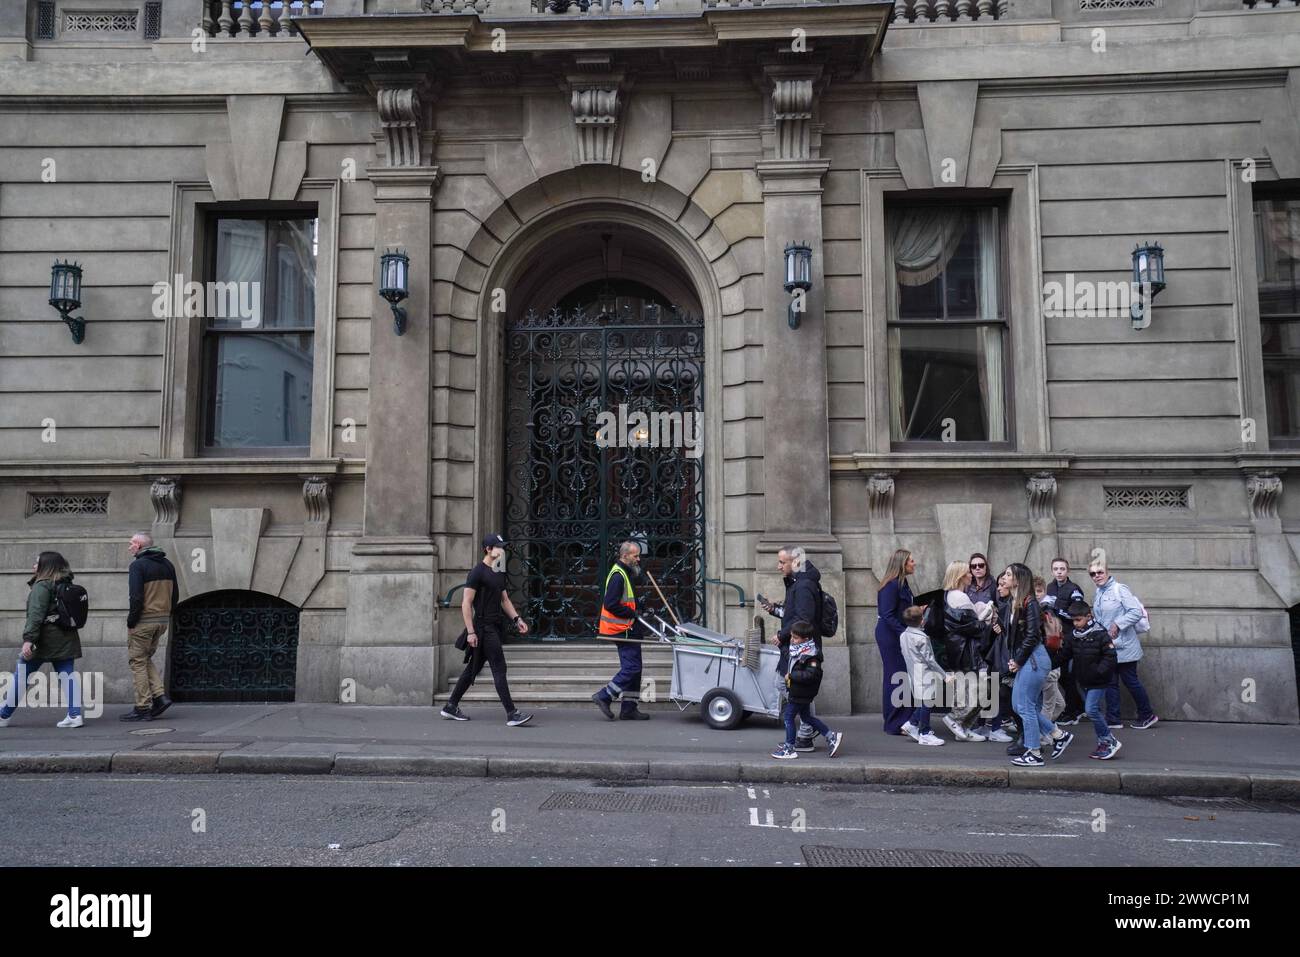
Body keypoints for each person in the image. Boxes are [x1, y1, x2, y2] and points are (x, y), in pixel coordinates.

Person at [441, 534, 533, 726]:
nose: (502, 550)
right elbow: (466, 603)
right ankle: (512, 713)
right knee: (499, 668)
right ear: (488, 549)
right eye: (499, 547)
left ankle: (450, 706)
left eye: (503, 547)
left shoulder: (498, 572)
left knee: (472, 669)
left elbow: (504, 600)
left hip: (494, 626)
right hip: (483, 628)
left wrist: (517, 619)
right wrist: (471, 632)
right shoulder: (477, 572)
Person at [0, 551, 83, 729]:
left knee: (21, 676)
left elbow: (35, 615)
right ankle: (75, 715)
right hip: (66, 637)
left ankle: (3, 715)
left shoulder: (42, 586)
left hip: (44, 639)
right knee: (67, 677)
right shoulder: (64, 582)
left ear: (46, 566)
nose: (34, 566)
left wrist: (28, 640)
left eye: (37, 563)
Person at [1002, 563, 1073, 766]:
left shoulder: (1029, 602)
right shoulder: (1014, 602)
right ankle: (1058, 735)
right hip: (1027, 659)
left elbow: (1033, 636)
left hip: (1034, 659)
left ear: (1019, 579)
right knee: (1019, 705)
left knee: (1025, 706)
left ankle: (1034, 752)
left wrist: (1018, 660)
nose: (1004, 577)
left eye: (1008, 574)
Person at [758, 545, 823, 750]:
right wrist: (775, 610)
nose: (778, 567)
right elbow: (793, 613)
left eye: (782, 562)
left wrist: (781, 635)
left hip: (800, 648)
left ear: (795, 562)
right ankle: (805, 733)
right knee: (792, 688)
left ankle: (808, 728)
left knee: (787, 686)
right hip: (795, 646)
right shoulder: (798, 582)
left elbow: (804, 619)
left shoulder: (803, 586)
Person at [1087, 553, 1158, 731]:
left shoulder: (1120, 589)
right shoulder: (1098, 593)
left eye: (1100, 572)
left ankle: (1147, 714)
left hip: (1125, 646)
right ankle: (1113, 719)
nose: (1097, 576)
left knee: (1131, 681)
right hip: (1109, 647)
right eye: (1093, 574)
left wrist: (1118, 624)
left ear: (1107, 571)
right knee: (1110, 683)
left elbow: (1135, 611)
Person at [591, 540, 652, 721]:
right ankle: (604, 696)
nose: (638, 559)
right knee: (631, 667)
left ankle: (629, 708)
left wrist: (639, 608)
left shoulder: (625, 572)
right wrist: (633, 613)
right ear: (625, 555)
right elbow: (611, 604)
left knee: (636, 668)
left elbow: (627, 599)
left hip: (628, 627)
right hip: (622, 628)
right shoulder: (618, 575)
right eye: (635, 556)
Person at [122, 533, 178, 722]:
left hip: (144, 621)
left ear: (138, 545)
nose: (129, 547)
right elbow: (175, 595)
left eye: (131, 543)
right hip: (162, 620)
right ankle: (160, 697)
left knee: (137, 662)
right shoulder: (168, 565)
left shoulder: (137, 566)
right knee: (145, 658)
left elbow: (136, 597)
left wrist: (131, 622)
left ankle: (142, 707)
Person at [770, 620, 843, 760]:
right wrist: (781, 646)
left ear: (807, 639)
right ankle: (831, 736)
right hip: (798, 691)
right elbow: (789, 657)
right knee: (807, 717)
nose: (792, 640)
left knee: (788, 717)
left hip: (800, 693)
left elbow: (811, 675)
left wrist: (791, 675)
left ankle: (789, 748)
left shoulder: (811, 656)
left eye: (795, 638)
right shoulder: (799, 650)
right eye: (791, 636)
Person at [1063, 600, 1123, 760]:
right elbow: (1064, 655)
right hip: (1082, 681)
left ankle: (1109, 741)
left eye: (1078, 620)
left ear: (1088, 617)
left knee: (1091, 710)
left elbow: (1110, 657)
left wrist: (1098, 672)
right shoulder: (1073, 636)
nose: (1075, 624)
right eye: (1073, 620)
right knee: (1095, 712)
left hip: (1098, 681)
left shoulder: (1100, 634)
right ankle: (1103, 742)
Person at [939, 561, 990, 743]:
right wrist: (985, 616)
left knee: (965, 689)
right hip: (966, 650)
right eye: (968, 572)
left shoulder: (948, 596)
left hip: (957, 649)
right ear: (961, 576)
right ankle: (955, 719)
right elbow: (973, 626)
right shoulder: (960, 597)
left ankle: (963, 727)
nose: (972, 575)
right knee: (979, 689)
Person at [875, 548, 915, 736]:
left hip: (897, 634)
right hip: (891, 637)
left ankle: (903, 719)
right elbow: (887, 614)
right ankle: (894, 722)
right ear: (902, 564)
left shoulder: (902, 583)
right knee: (896, 677)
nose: (914, 563)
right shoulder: (891, 585)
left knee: (902, 677)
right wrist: (905, 632)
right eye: (911, 561)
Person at [900, 605, 950, 746]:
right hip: (925, 673)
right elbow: (930, 660)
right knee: (927, 702)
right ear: (922, 621)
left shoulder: (903, 635)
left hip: (912, 671)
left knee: (923, 701)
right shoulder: (922, 638)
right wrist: (944, 675)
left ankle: (912, 723)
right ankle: (925, 732)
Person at [1043, 558, 1086, 724]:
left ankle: (1072, 711)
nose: (1059, 572)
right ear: (1052, 571)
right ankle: (1078, 707)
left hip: (1069, 638)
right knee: (1060, 676)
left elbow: (1077, 614)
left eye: (1062, 569)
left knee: (1067, 676)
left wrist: (1057, 610)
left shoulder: (1074, 589)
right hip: (1053, 637)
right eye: (1056, 569)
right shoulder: (1050, 587)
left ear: (1067, 571)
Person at [1034, 576, 1066, 722]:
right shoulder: (1044, 609)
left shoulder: (1047, 610)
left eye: (1039, 591)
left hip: (1049, 660)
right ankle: (1042, 732)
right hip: (1046, 662)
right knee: (1049, 704)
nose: (1037, 594)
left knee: (1057, 704)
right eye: (1034, 592)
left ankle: (1042, 730)